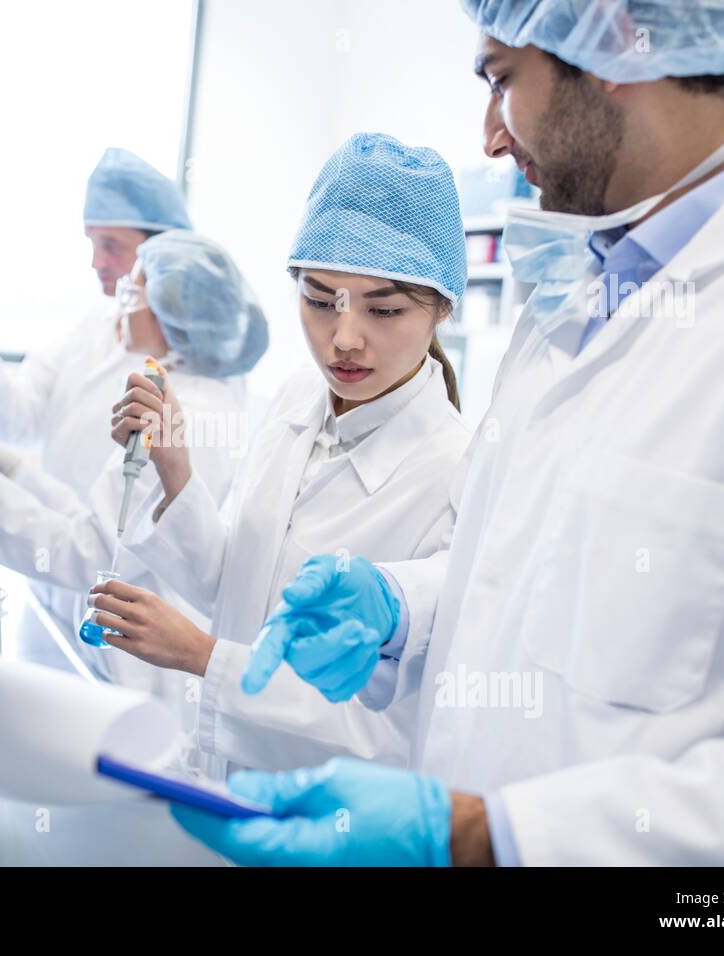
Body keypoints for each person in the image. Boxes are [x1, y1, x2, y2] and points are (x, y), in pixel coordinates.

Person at [172, 0, 724, 866]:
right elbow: (536, 576)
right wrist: (403, 611)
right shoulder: (572, 298)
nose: (491, 137)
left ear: (615, 43)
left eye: (502, 79)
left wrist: (487, 837)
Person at [85, 135, 471, 773]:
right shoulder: (298, 400)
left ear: (441, 310)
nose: (344, 340)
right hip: (221, 780)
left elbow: (392, 734)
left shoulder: (454, 472)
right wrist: (175, 465)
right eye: (320, 301)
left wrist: (205, 658)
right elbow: (233, 581)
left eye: (384, 309)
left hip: (323, 823)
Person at [0, 231, 267, 768]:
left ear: (170, 316)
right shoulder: (173, 386)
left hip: (140, 679)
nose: (121, 309)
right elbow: (106, 522)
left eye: (133, 297)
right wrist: (16, 472)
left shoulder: (194, 414)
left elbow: (91, 554)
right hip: (112, 660)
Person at [0, 147, 192, 503]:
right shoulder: (94, 326)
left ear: (163, 250)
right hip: (53, 536)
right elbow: (19, 417)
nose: (96, 262)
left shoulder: (194, 367)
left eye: (112, 246)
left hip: (113, 553)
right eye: (92, 243)